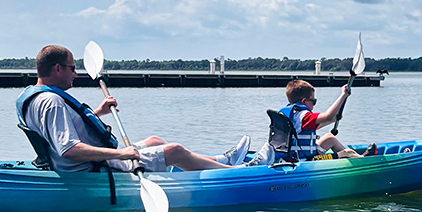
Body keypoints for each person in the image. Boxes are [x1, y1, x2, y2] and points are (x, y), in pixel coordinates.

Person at [16, 45, 251, 173]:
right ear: (57, 68)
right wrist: (121, 154)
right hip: (90, 166)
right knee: (175, 151)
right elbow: (69, 149)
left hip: (79, 161)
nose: (75, 74)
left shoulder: (34, 97)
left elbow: (56, 130)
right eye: (72, 68)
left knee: (155, 140)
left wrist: (97, 113)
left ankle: (221, 160)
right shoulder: (52, 102)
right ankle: (235, 173)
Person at [275, 79, 376, 162]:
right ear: (304, 101)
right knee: (347, 153)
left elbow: (318, 124)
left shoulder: (289, 114)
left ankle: (357, 158)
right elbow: (328, 116)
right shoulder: (304, 116)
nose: (314, 104)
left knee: (329, 137)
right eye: (313, 101)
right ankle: (361, 160)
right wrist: (343, 95)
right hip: (305, 161)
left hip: (290, 157)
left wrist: (334, 119)